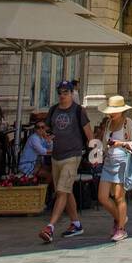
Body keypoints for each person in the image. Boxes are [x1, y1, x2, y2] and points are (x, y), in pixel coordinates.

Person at [39, 80, 93, 244]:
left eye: (66, 92)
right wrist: (46, 134)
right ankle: (76, 224)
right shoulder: (54, 109)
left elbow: (89, 134)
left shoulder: (79, 111)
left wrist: (94, 154)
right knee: (66, 190)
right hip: (56, 156)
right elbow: (49, 128)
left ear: (72, 93)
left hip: (72, 155)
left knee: (61, 191)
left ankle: (50, 227)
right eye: (60, 92)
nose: (62, 95)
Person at [96, 95, 132, 243]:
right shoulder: (108, 123)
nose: (111, 113)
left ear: (121, 111)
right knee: (102, 197)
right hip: (109, 163)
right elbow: (104, 143)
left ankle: (121, 228)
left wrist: (119, 143)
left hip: (122, 163)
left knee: (118, 197)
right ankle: (120, 217)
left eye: (114, 111)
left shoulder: (128, 123)